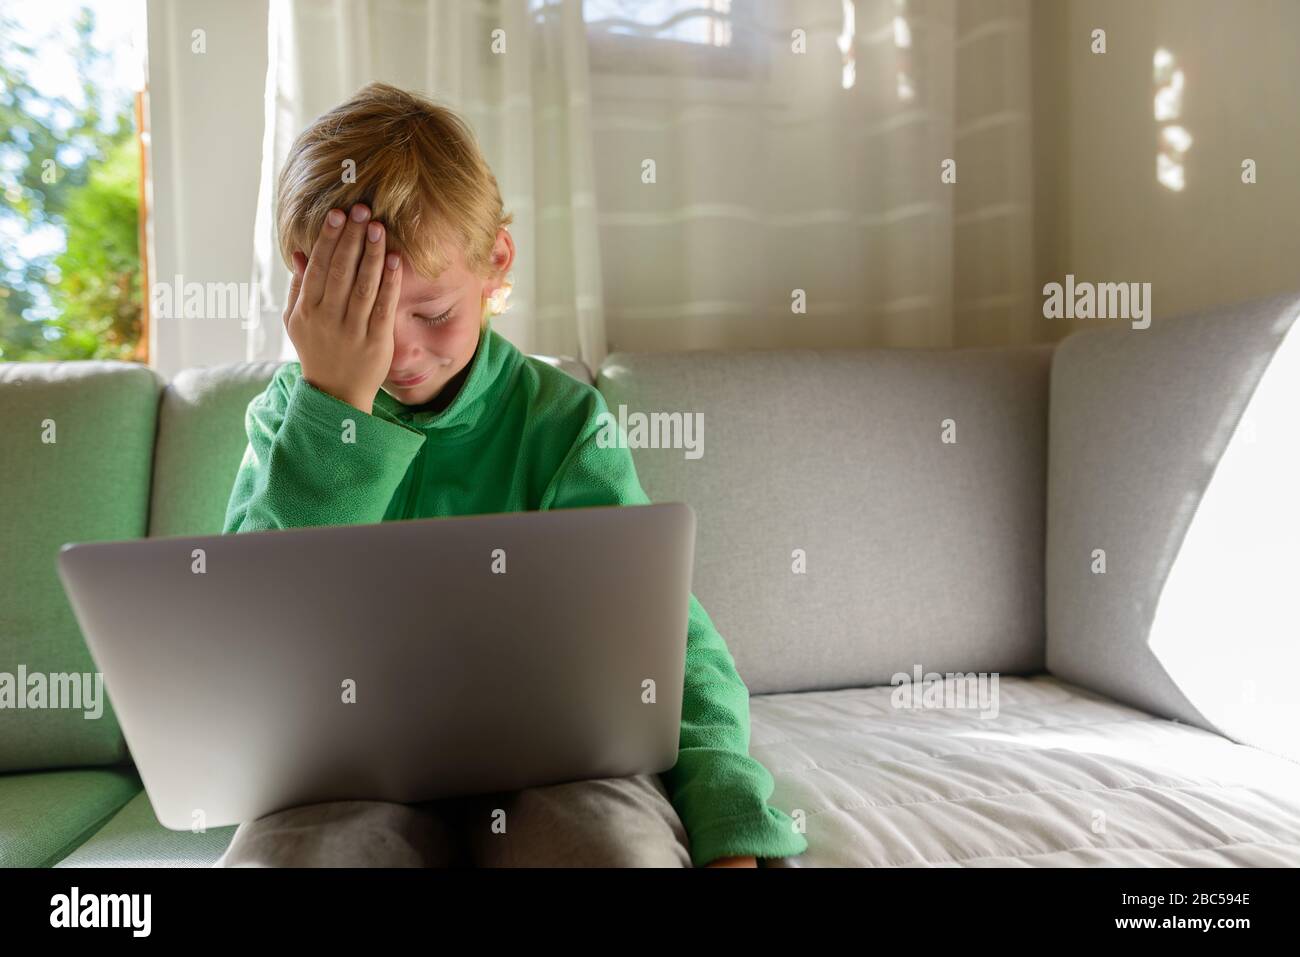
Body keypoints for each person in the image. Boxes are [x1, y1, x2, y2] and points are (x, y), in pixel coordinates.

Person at [216, 82, 807, 869]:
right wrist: (336, 412)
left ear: (495, 263)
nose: (398, 355)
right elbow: (247, 642)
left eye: (430, 313)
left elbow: (669, 640)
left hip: (560, 766)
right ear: (304, 289)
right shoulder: (289, 423)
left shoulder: (560, 425)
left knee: (609, 849)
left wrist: (730, 816)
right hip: (345, 778)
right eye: (359, 320)